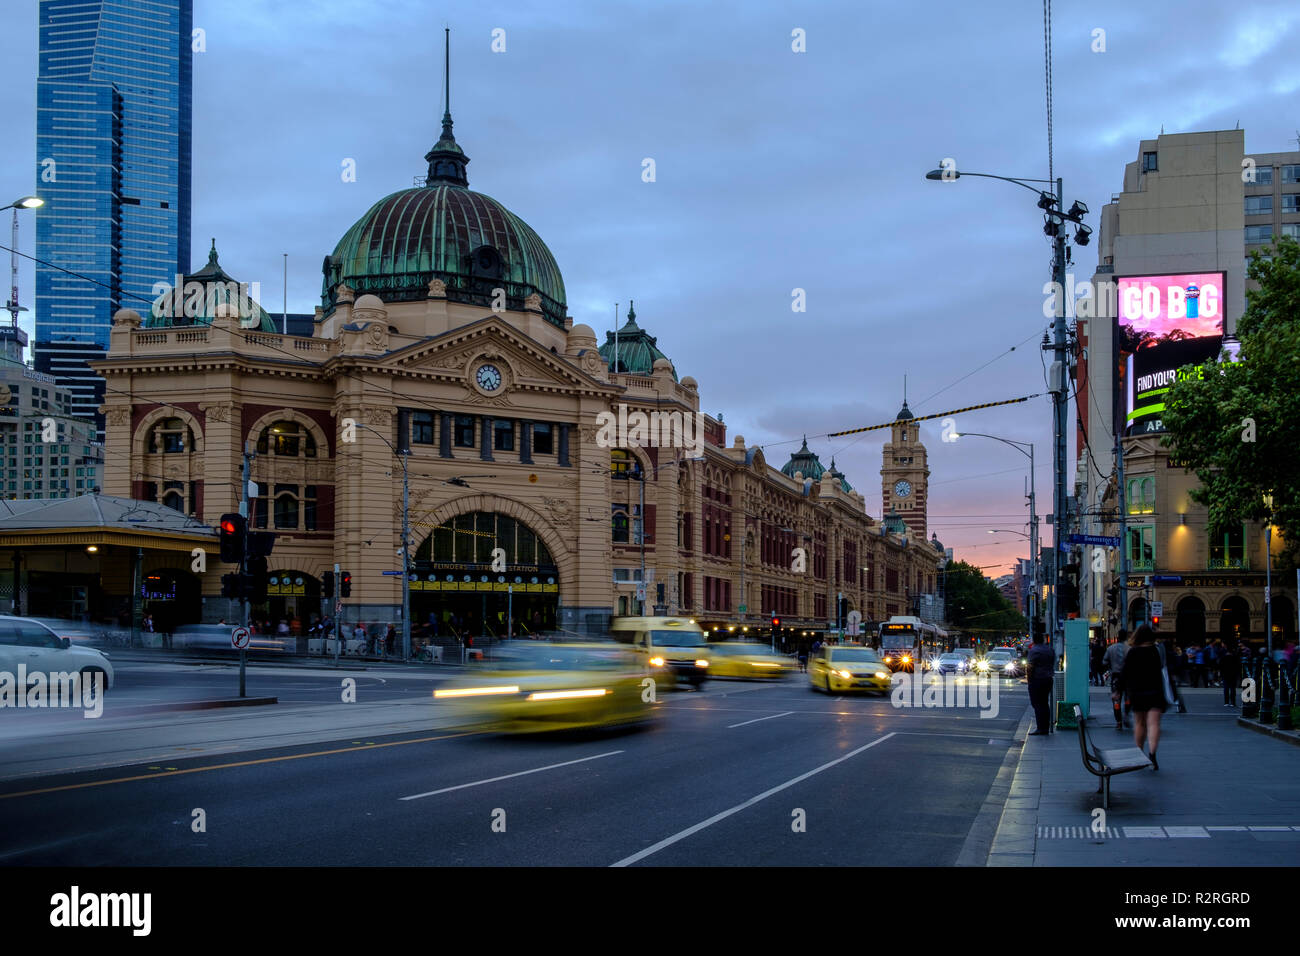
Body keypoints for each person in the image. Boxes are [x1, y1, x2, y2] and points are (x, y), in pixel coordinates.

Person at [1116, 624, 1167, 770]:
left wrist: (1119, 690)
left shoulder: (1133, 652)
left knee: (1140, 723)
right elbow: (1160, 671)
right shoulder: (1155, 651)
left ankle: (1139, 754)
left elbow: (1125, 673)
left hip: (1138, 692)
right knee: (1154, 724)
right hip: (1155, 691)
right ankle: (1152, 753)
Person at [1026, 632, 1056, 735]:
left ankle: (1041, 727)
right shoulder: (1049, 649)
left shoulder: (1033, 650)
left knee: (1037, 704)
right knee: (1044, 703)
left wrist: (1029, 680)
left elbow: (1030, 667)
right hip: (1048, 679)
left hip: (1037, 679)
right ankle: (1045, 727)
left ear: (1034, 640)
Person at [1103, 631, 1130, 730]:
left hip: (1116, 677)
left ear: (1117, 637)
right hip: (1127, 677)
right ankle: (1126, 713)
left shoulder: (1111, 649)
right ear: (1126, 637)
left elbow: (1104, 661)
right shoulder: (1129, 649)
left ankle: (1119, 722)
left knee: (1116, 700)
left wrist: (1110, 667)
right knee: (1128, 698)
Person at [1219, 638, 1240, 708]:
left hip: (1225, 674)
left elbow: (1221, 666)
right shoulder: (1235, 657)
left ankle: (1226, 702)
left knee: (1226, 688)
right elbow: (1237, 666)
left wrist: (1221, 674)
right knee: (1232, 689)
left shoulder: (1223, 658)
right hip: (1233, 674)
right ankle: (1233, 702)